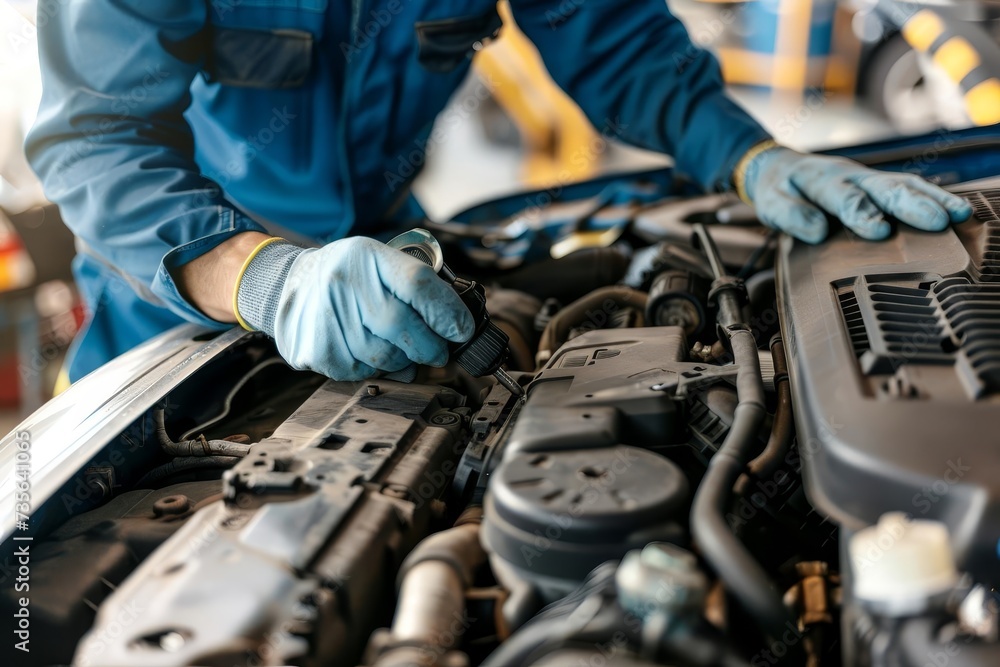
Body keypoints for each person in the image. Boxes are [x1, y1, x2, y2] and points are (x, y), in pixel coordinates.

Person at [27, 1, 971, 383]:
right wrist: (265, 280)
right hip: (177, 316)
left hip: (392, 260)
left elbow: (610, 38)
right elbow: (94, 136)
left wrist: (751, 159)